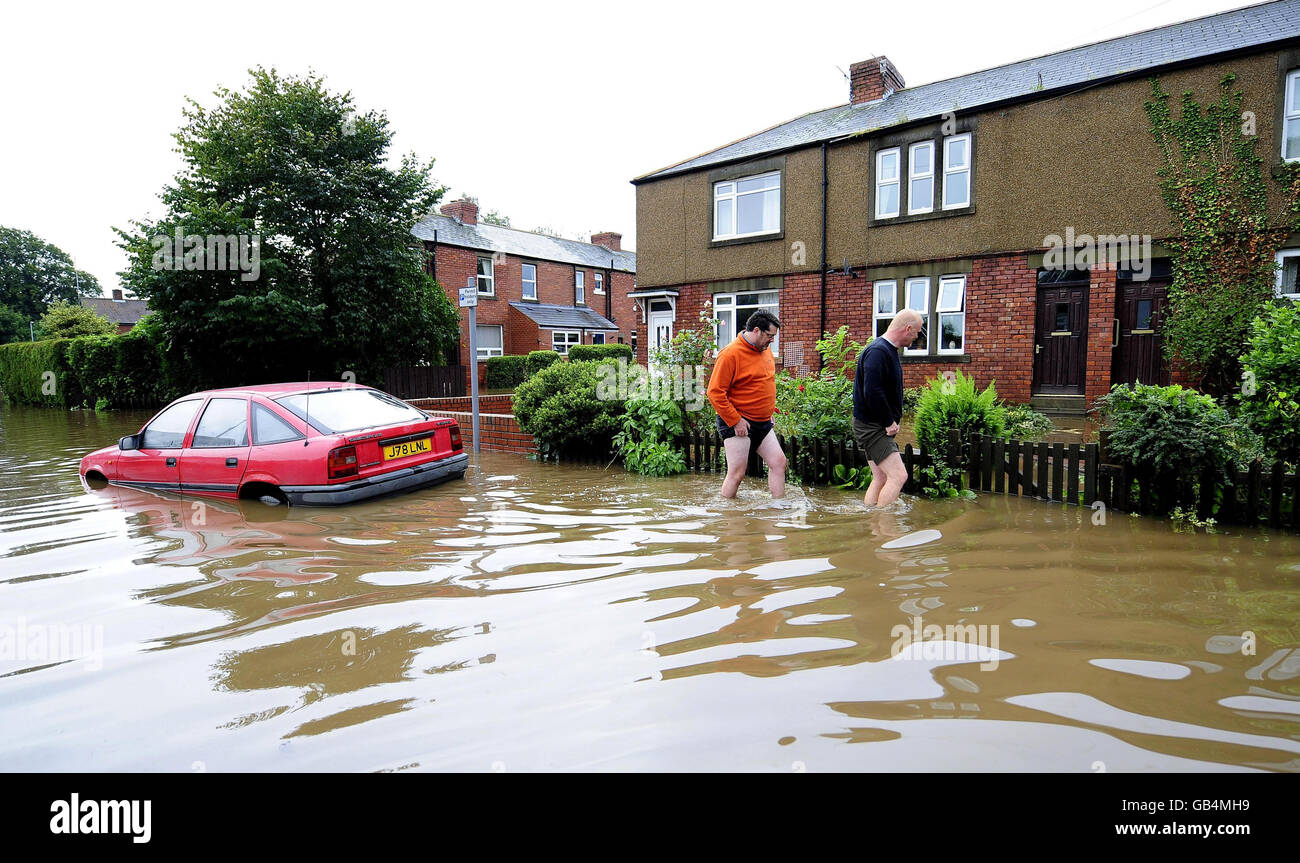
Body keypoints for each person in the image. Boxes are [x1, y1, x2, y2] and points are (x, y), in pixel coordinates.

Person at [707, 310, 788, 499]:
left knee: (778, 462)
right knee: (737, 473)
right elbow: (715, 392)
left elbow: (763, 382)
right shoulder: (730, 354)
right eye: (770, 336)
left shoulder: (764, 349)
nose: (772, 341)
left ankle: (779, 508)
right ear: (757, 330)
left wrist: (768, 410)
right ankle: (728, 515)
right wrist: (735, 421)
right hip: (738, 421)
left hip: (763, 422)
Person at [853, 309, 924, 507]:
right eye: (917, 331)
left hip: (871, 424)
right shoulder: (878, 351)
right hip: (872, 426)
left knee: (881, 478)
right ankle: (884, 526)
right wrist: (888, 421)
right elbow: (872, 392)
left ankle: (873, 526)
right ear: (907, 328)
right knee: (898, 476)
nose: (917, 336)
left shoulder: (886, 350)